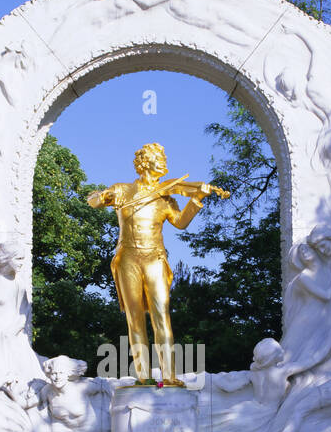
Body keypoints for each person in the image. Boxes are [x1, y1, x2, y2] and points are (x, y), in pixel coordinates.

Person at [87, 143, 228, 386]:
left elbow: (181, 223)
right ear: (144, 163)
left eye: (163, 157)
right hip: (127, 258)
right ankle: (143, 377)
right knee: (134, 318)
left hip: (155, 258)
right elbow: (92, 201)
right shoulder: (123, 190)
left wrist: (197, 198)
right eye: (158, 157)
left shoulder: (166, 196)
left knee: (161, 315)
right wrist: (102, 197)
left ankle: (169, 376)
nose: (163, 161)